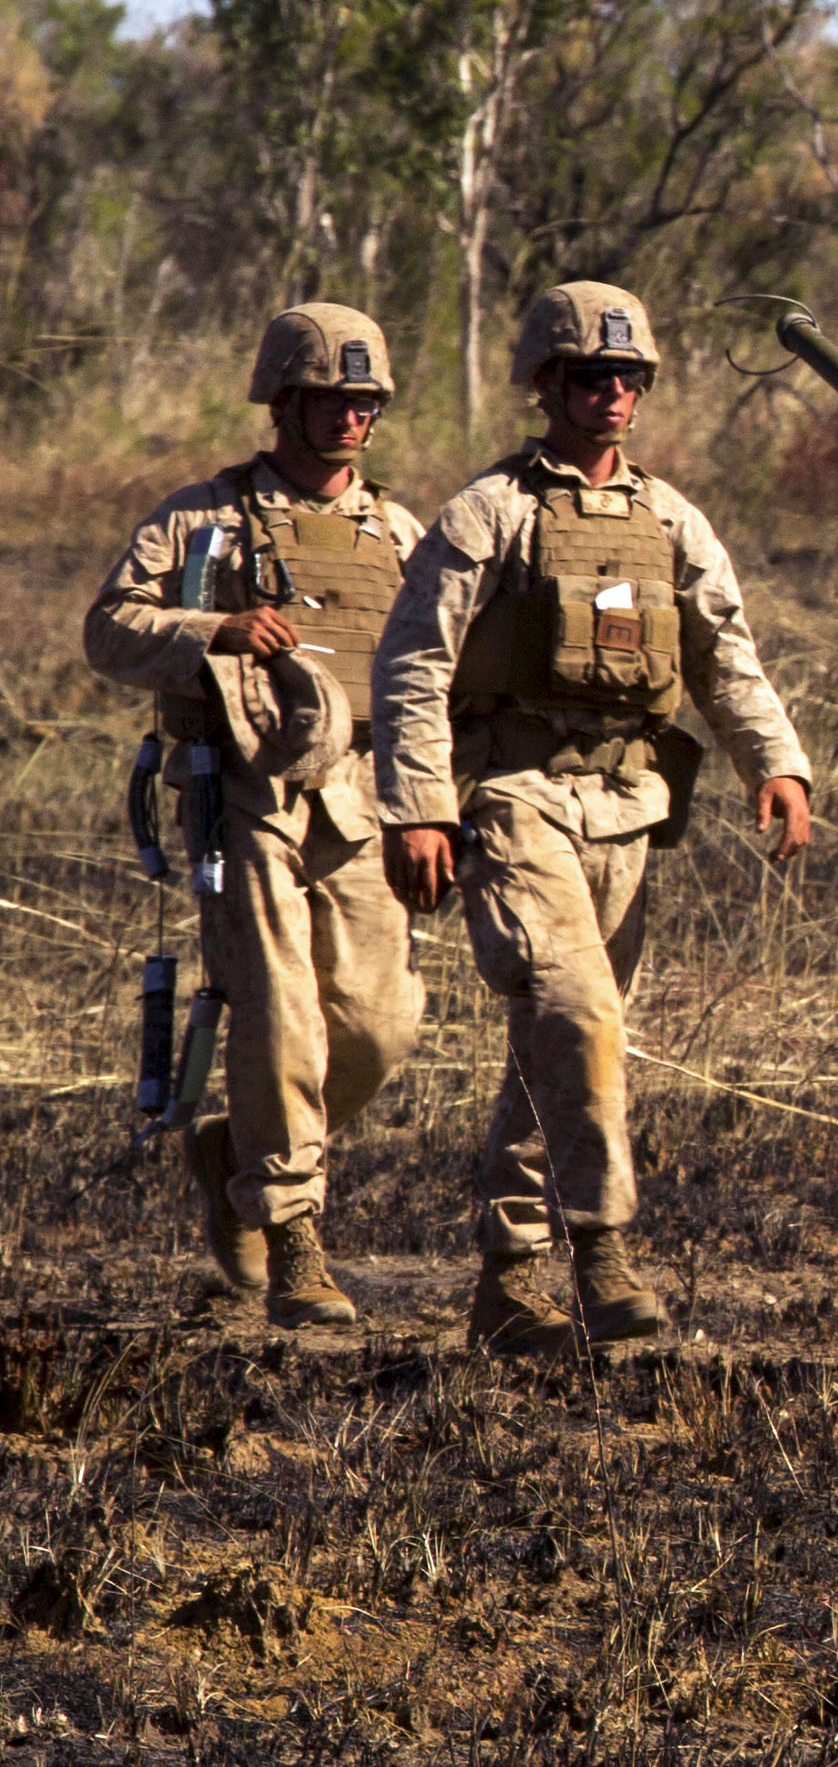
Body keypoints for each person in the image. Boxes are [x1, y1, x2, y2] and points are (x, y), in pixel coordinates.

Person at [373, 283, 813, 1357]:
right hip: (516, 801)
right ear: (546, 386)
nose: (612, 395)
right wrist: (421, 807)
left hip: (631, 809)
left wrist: (780, 764)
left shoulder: (671, 520)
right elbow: (415, 663)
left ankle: (509, 1277)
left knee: (558, 1043)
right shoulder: (492, 512)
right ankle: (602, 1247)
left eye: (628, 378)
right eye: (589, 377)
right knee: (579, 1016)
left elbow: (726, 656)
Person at [84, 306, 428, 1328]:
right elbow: (112, 626)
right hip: (246, 793)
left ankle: (234, 1148)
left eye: (366, 400)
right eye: (333, 397)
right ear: (282, 400)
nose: (353, 417)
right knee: (277, 1009)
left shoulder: (403, 532)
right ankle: (291, 1234)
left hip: (364, 795)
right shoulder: (205, 518)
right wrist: (215, 627)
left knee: (380, 1023)